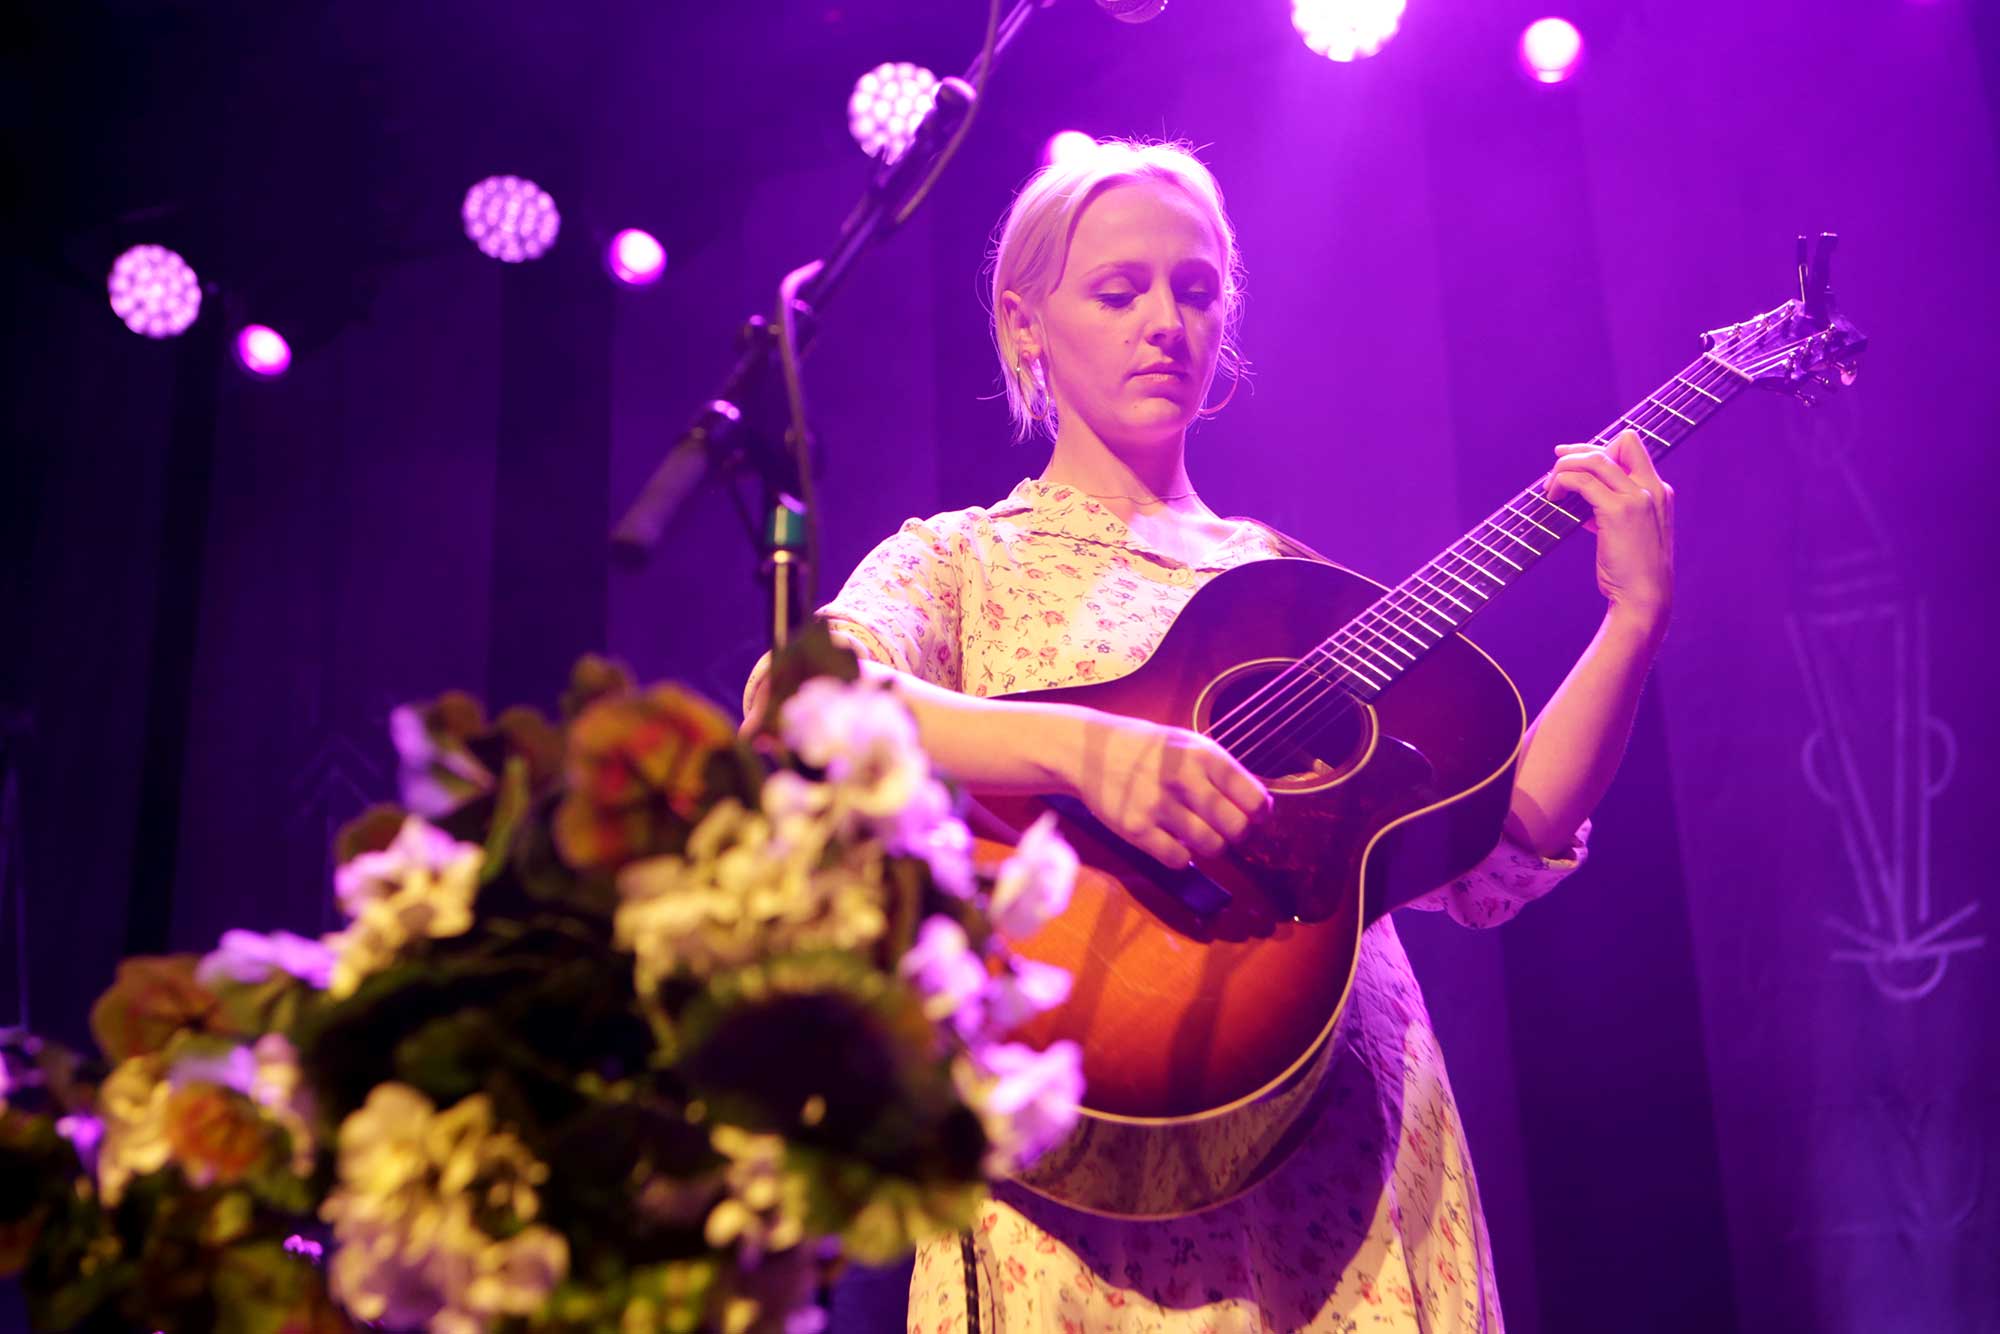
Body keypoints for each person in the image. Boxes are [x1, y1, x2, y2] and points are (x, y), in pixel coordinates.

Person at [746, 139, 1673, 1332]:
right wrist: (1085, 750)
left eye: (1195, 290)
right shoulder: (962, 559)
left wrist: (1632, 619)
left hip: (1344, 1137)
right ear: (1023, 324)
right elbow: (796, 703)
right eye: (1117, 290)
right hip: (1086, 1144)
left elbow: (1506, 847)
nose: (1165, 323)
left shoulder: (1288, 588)